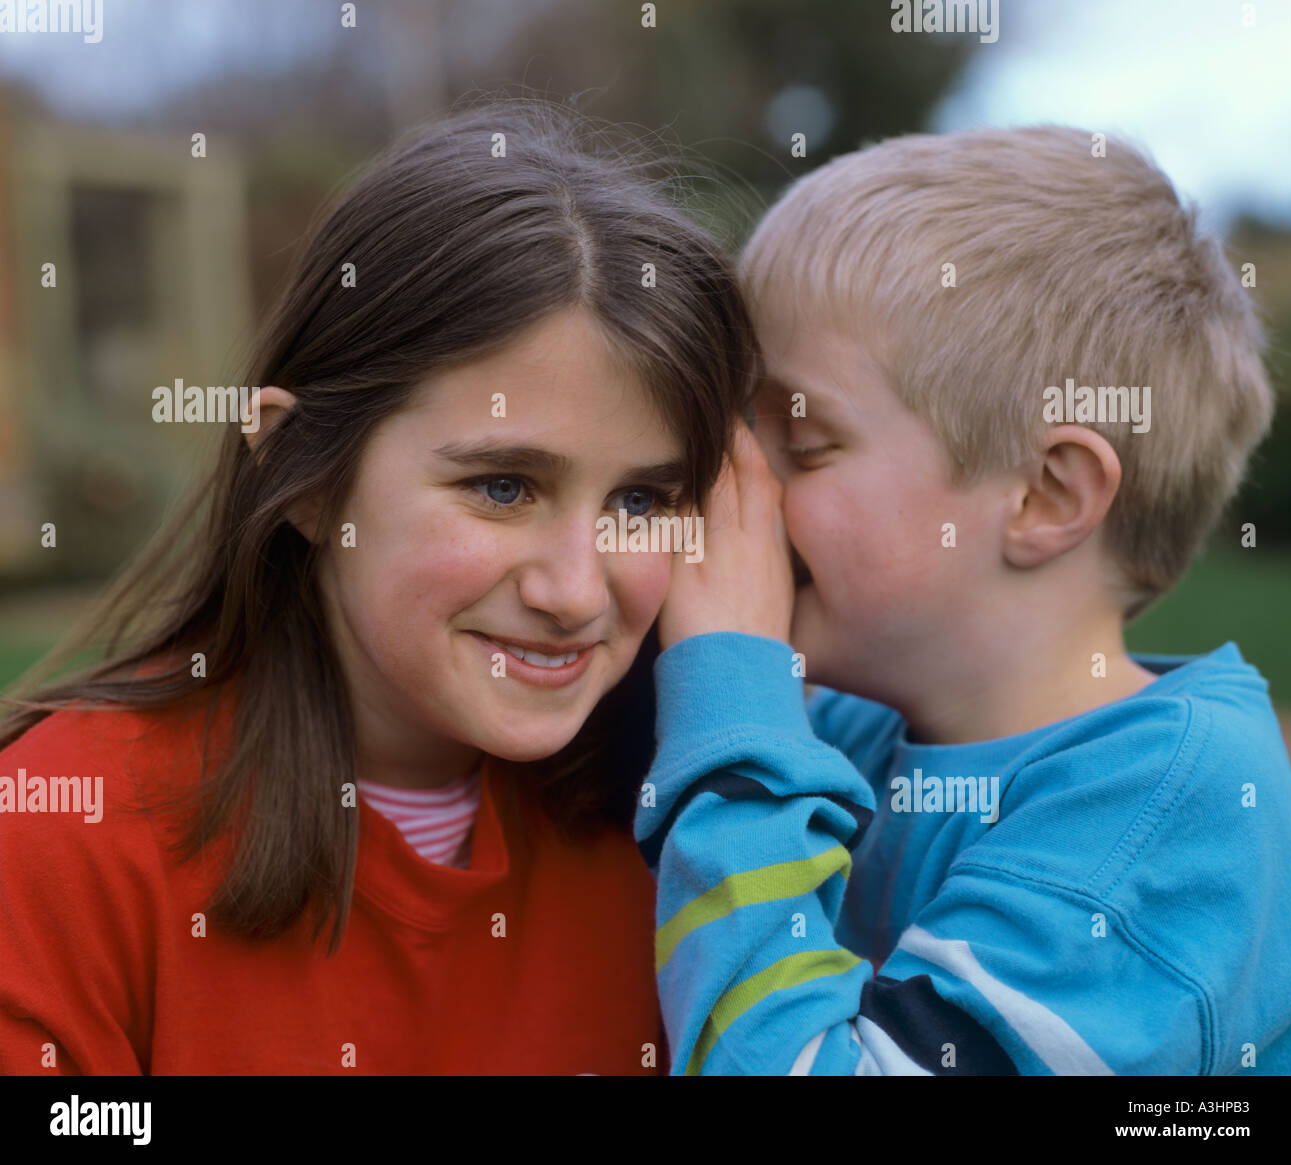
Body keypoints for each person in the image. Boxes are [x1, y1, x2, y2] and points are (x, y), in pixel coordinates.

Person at [0, 100, 758, 1075]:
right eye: (501, 486)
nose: (574, 589)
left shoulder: (700, 838)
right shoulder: (61, 832)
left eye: (642, 500)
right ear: (304, 474)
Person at [636, 126, 1291, 1075]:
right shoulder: (859, 731)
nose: (737, 478)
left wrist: (731, 701)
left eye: (805, 440)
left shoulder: (1169, 810)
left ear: (1044, 497)